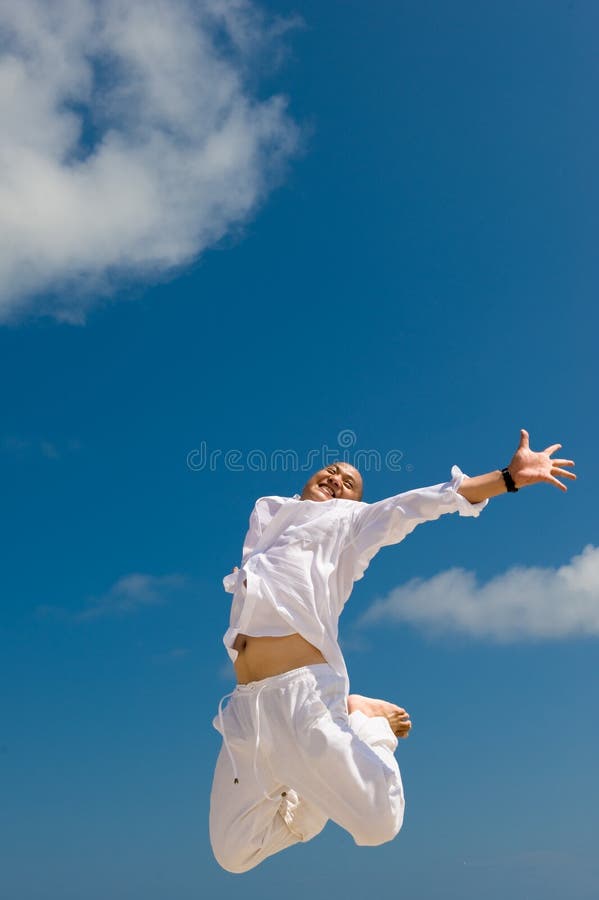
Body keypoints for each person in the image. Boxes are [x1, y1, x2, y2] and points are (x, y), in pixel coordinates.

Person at [209, 429, 575, 873]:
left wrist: (507, 478)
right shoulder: (268, 519)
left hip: (299, 697)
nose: (338, 478)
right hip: (246, 711)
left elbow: (412, 506)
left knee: (379, 824)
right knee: (234, 854)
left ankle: (362, 723)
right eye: (333, 470)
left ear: (357, 504)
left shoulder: (351, 525)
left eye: (350, 482)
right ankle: (308, 788)